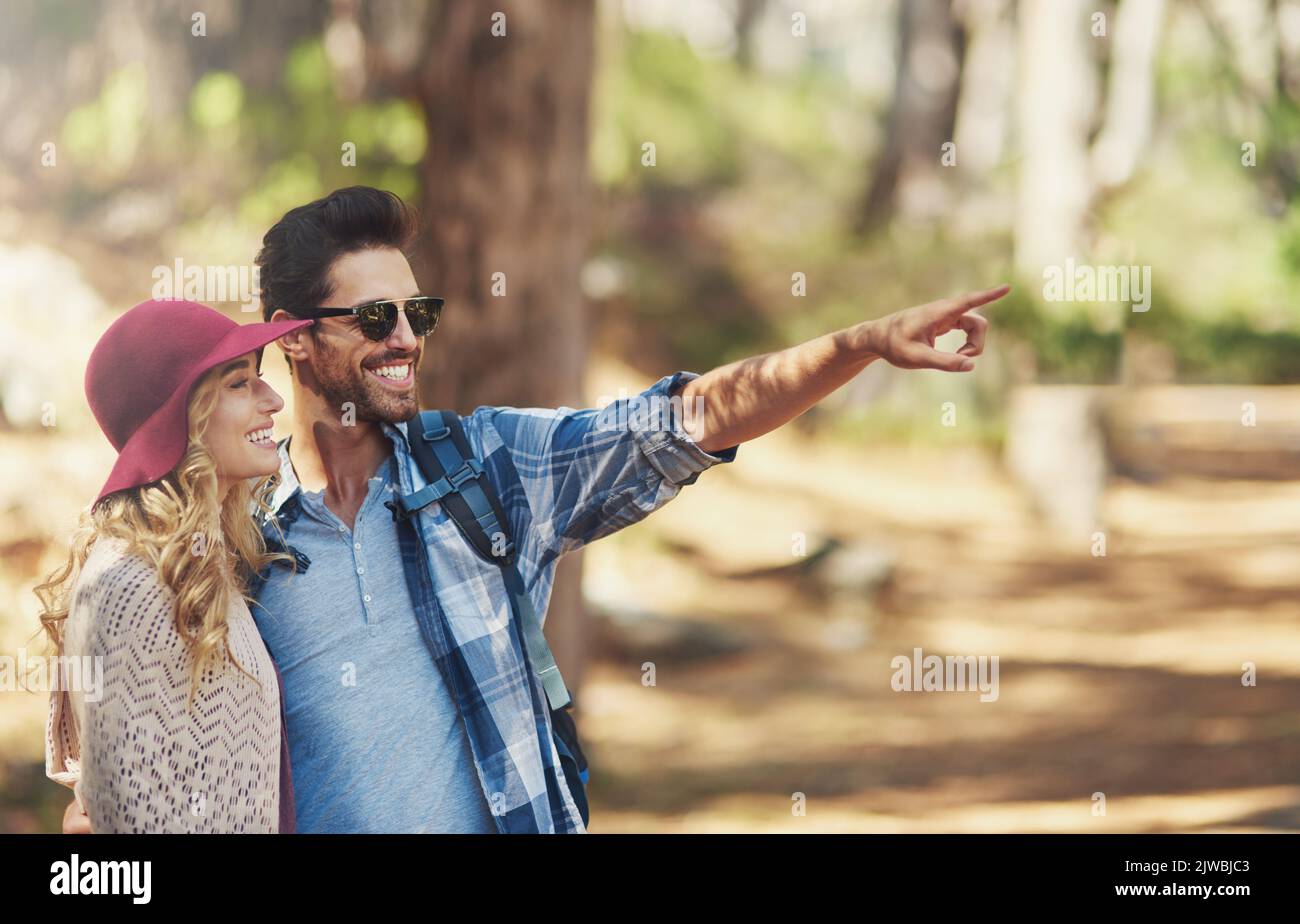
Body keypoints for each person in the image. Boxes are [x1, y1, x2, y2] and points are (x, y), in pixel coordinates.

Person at [59, 185, 1006, 834]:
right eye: (375, 319)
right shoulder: (236, 543)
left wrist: (863, 344)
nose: (405, 342)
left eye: (416, 315)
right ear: (298, 344)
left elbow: (690, 416)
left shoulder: (489, 472)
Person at [40, 299, 312, 833]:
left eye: (260, 378)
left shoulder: (198, 567)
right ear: (179, 417)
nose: (274, 399)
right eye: (239, 384)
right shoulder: (131, 584)